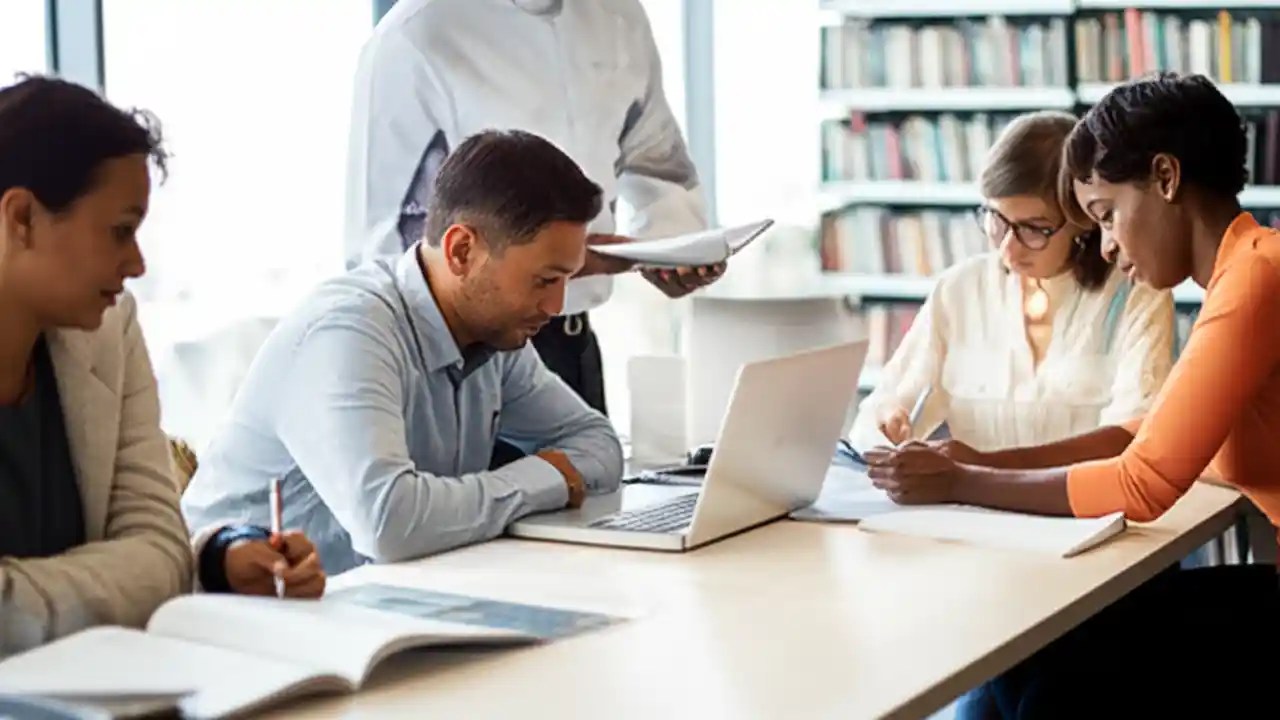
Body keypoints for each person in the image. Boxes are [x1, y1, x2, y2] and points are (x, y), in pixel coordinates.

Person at [866, 73, 1280, 716]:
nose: (1107, 246)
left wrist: (963, 481)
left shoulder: (1254, 280)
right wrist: (976, 461)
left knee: (1051, 672)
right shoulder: (1245, 272)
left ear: (1166, 178)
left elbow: (1142, 483)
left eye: (1108, 215)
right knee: (1032, 660)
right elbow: (1146, 435)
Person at [182, 130, 625, 576]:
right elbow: (389, 523)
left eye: (566, 280)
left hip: (386, 596)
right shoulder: (349, 330)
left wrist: (538, 480)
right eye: (545, 280)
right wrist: (547, 477)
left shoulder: (496, 332)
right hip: (250, 604)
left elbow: (599, 444)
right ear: (462, 251)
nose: (555, 306)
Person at [0, 77, 324, 655]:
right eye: (120, 231)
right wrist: (125, 585)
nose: (137, 264)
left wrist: (211, 558)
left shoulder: (108, 332)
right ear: (21, 218)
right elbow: (149, 570)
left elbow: (160, 554)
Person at [344, 0, 724, 418]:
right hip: (461, 360)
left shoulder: (618, 15)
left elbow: (661, 168)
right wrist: (561, 262)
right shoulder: (416, 33)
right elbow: (385, 250)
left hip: (572, 345)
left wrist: (674, 252)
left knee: (594, 457)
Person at [847, 111, 1175, 455]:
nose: (1007, 248)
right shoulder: (959, 290)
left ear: (1083, 220)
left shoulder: (1136, 291)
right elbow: (878, 416)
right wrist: (888, 420)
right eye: (997, 220)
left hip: (1082, 492)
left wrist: (990, 476)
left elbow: (1132, 438)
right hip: (965, 491)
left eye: (1033, 228)